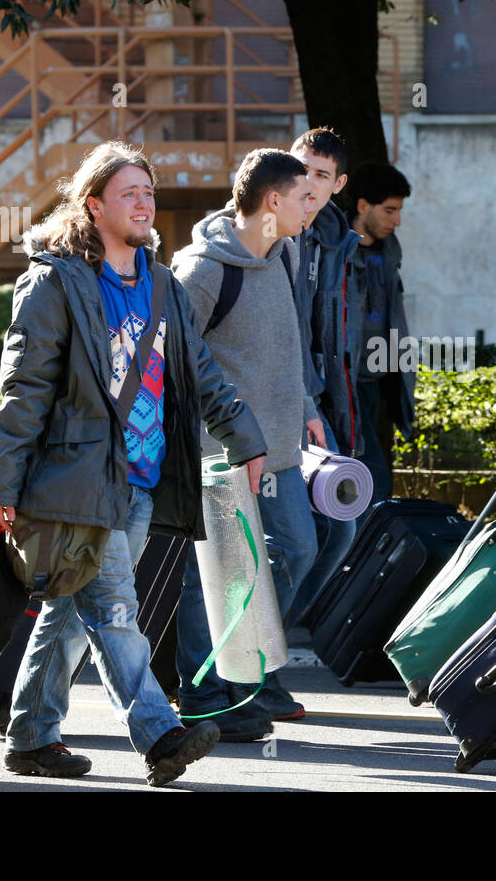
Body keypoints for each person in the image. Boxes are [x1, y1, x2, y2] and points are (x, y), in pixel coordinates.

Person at [0, 141, 267, 786]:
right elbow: (23, 389)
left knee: (70, 613)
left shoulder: (161, 284)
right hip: (76, 478)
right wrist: (1, 479)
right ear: (94, 205)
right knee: (113, 608)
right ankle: (159, 733)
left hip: (143, 479)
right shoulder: (56, 281)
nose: (144, 203)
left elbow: (202, 374)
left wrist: (244, 437)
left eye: (149, 192)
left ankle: (30, 738)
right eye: (129, 193)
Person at [171, 148, 321, 727]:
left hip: (280, 451)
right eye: (303, 197)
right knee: (207, 577)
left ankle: (248, 671)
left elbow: (288, 347)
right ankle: (208, 695)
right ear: (273, 201)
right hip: (221, 454)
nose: (311, 208)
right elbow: (170, 357)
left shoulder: (283, 254)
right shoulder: (205, 270)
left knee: (298, 550)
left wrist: (305, 406)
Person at [284, 128, 365, 624]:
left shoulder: (333, 240)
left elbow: (329, 341)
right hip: (270, 404)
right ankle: (254, 655)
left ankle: (272, 641)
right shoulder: (268, 230)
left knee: (338, 524)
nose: (309, 184)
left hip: (312, 402)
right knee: (295, 538)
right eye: (301, 170)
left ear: (339, 185)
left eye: (321, 175)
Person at [344, 162, 416, 502]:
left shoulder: (390, 252)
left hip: (378, 383)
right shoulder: (335, 252)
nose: (396, 220)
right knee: (371, 484)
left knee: (369, 482)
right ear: (362, 206)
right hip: (344, 385)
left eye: (399, 210)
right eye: (389, 210)